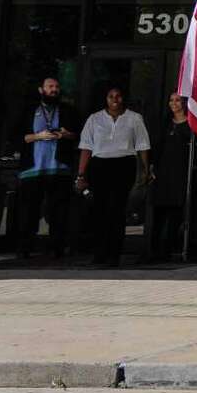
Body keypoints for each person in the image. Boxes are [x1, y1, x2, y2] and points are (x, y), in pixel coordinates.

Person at [76, 85, 150, 269]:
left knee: (117, 209)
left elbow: (142, 145)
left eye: (118, 96)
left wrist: (145, 170)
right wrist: (81, 174)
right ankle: (99, 253)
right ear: (106, 99)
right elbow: (86, 147)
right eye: (111, 96)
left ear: (123, 98)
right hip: (100, 165)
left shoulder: (134, 118)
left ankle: (114, 254)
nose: (115, 99)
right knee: (99, 209)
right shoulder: (95, 119)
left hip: (123, 164)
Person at [17, 78, 79, 261]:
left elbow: (78, 135)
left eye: (57, 87)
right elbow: (18, 136)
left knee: (59, 211)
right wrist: (38, 136)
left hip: (59, 168)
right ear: (41, 89)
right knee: (29, 211)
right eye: (50, 87)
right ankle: (24, 248)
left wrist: (66, 134)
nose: (54, 90)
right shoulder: (29, 110)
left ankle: (57, 248)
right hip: (32, 169)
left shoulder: (68, 110)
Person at [142, 92, 194, 265]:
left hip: (180, 173)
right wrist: (151, 167)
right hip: (162, 173)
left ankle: (167, 251)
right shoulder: (165, 124)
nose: (174, 103)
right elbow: (156, 147)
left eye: (177, 100)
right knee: (158, 213)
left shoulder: (191, 124)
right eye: (171, 100)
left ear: (184, 102)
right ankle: (152, 250)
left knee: (174, 214)